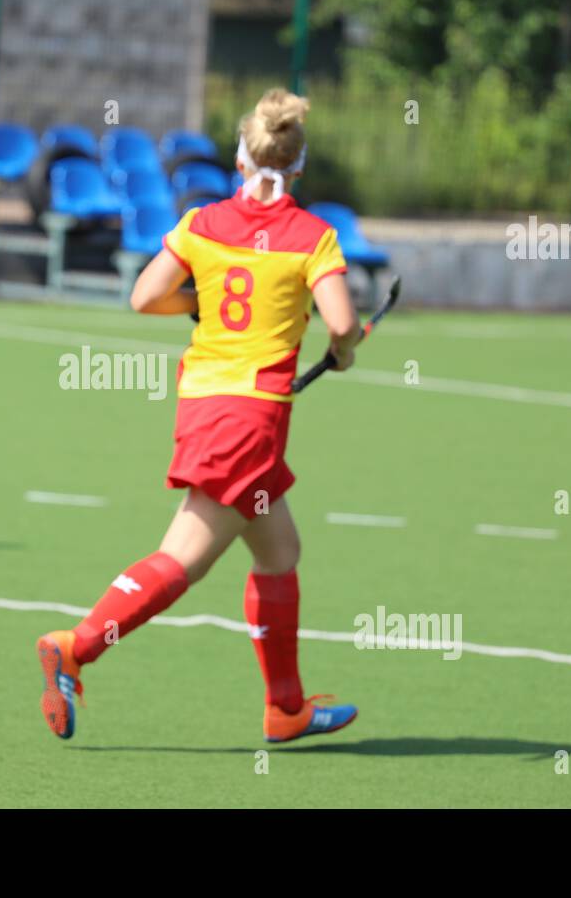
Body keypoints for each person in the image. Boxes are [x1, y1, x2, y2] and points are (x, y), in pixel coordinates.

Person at [36, 89, 361, 743]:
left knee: (279, 551)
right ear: (297, 168)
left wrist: (198, 307)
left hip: (203, 404)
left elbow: (143, 296)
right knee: (184, 557)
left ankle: (286, 708)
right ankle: (76, 646)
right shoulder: (312, 236)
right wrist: (344, 350)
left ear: (241, 161)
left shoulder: (204, 221)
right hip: (252, 420)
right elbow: (344, 321)